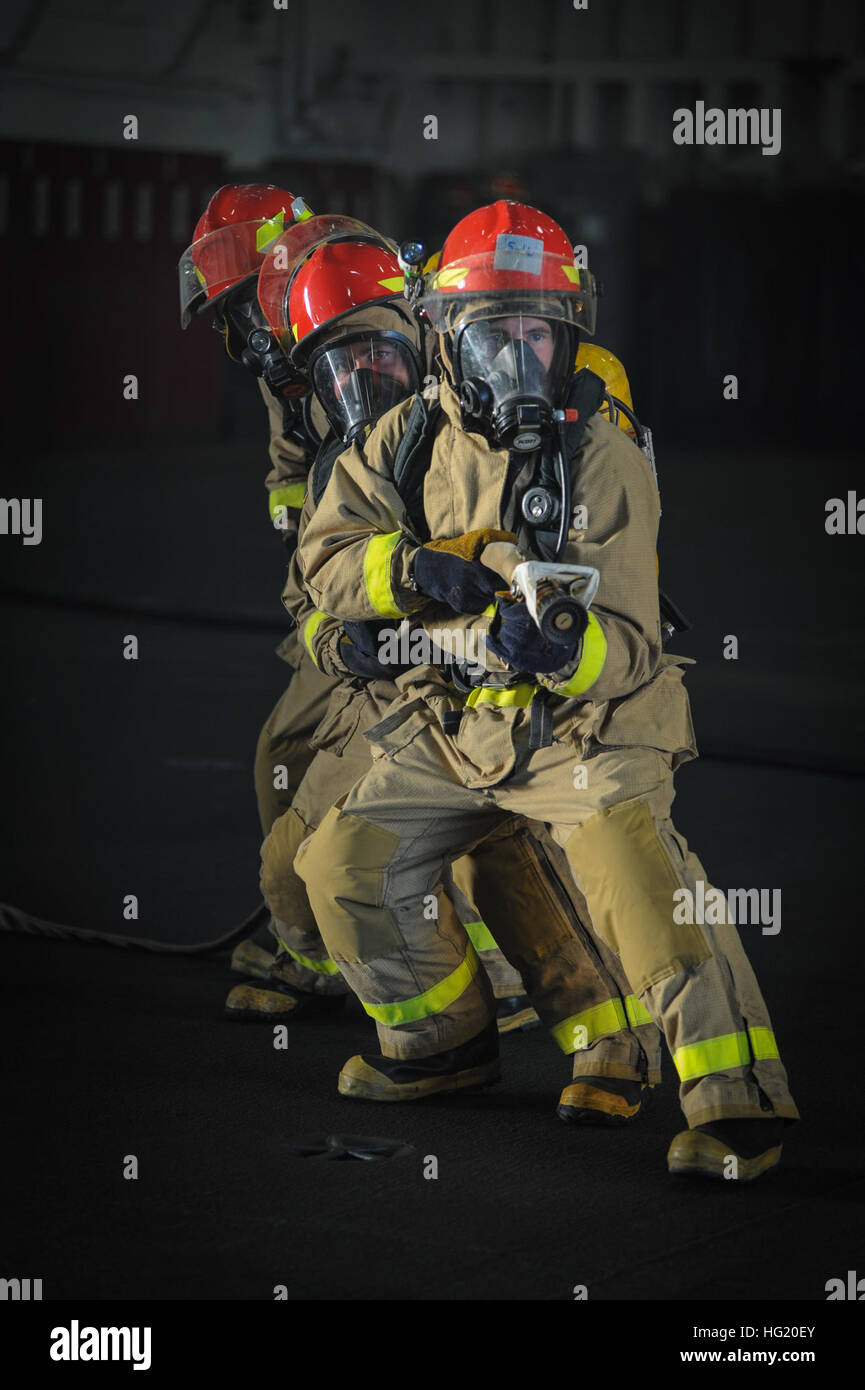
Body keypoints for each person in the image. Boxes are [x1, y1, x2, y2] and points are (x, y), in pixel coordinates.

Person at [293, 200, 799, 1179]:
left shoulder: (601, 455)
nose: (517, 359)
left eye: (538, 331)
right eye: (495, 334)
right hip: (449, 725)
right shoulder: (402, 440)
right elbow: (326, 560)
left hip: (583, 730)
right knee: (340, 866)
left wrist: (560, 652)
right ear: (447, 337)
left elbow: (632, 646)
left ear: (570, 333)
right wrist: (412, 571)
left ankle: (736, 1098)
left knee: (638, 873)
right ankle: (440, 1044)